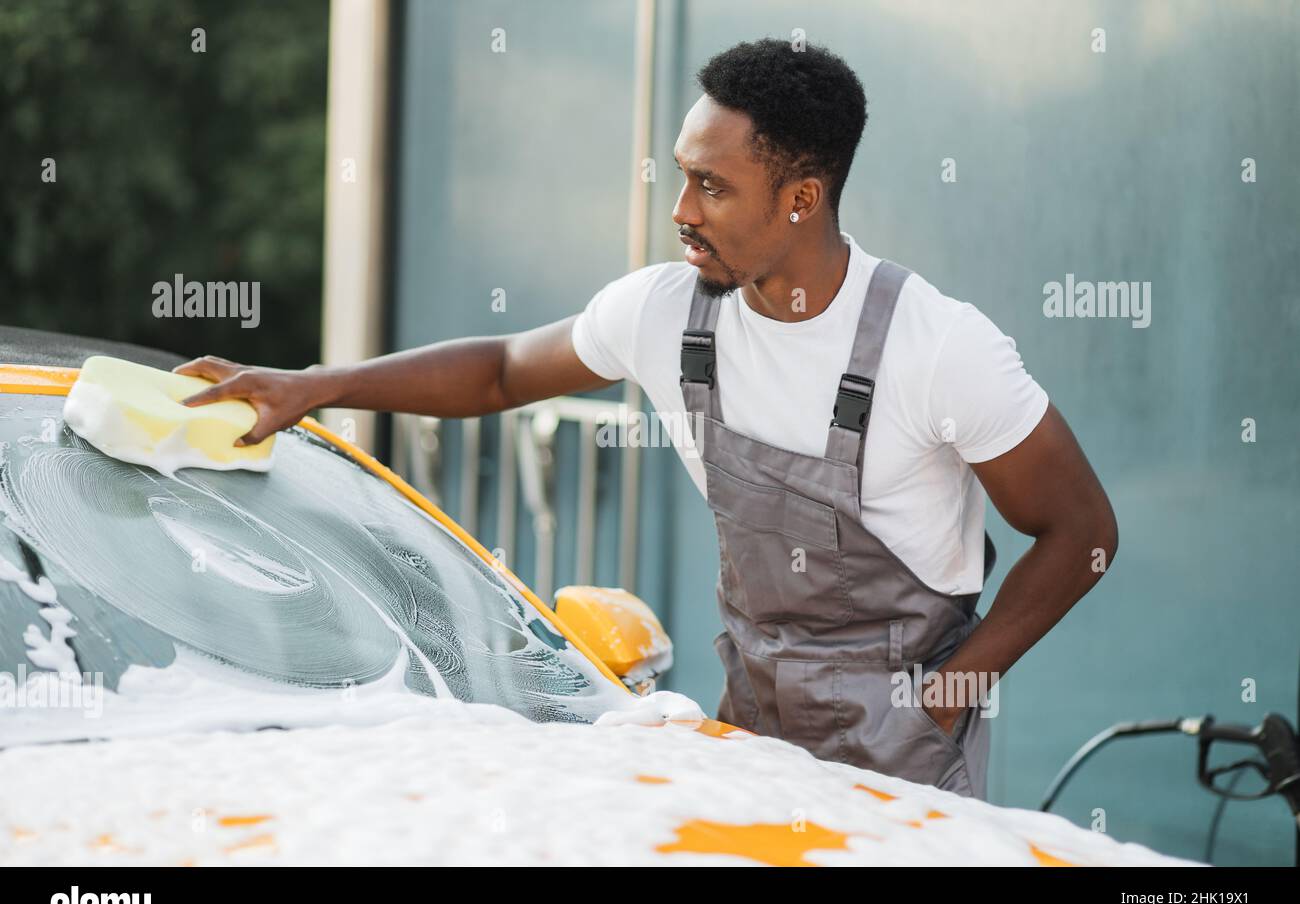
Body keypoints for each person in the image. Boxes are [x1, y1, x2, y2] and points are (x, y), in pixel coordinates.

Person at [177, 38, 1117, 800]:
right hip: (750, 741)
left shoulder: (937, 346)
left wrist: (949, 697)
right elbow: (503, 371)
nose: (679, 210)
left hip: (907, 764)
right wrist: (316, 384)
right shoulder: (668, 313)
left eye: (713, 186)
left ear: (801, 199)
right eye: (681, 176)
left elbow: (1081, 533)